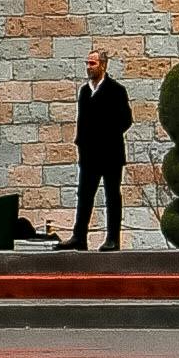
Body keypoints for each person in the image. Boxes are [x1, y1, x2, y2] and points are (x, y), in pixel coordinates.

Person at [72, 50, 130, 252]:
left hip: (110, 154)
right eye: (87, 63)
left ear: (103, 65)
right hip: (89, 154)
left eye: (92, 63)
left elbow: (125, 120)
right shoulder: (85, 92)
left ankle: (113, 238)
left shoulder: (116, 90)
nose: (89, 67)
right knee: (84, 195)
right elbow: (82, 121)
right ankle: (79, 236)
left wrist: (105, 134)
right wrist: (81, 143)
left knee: (112, 195)